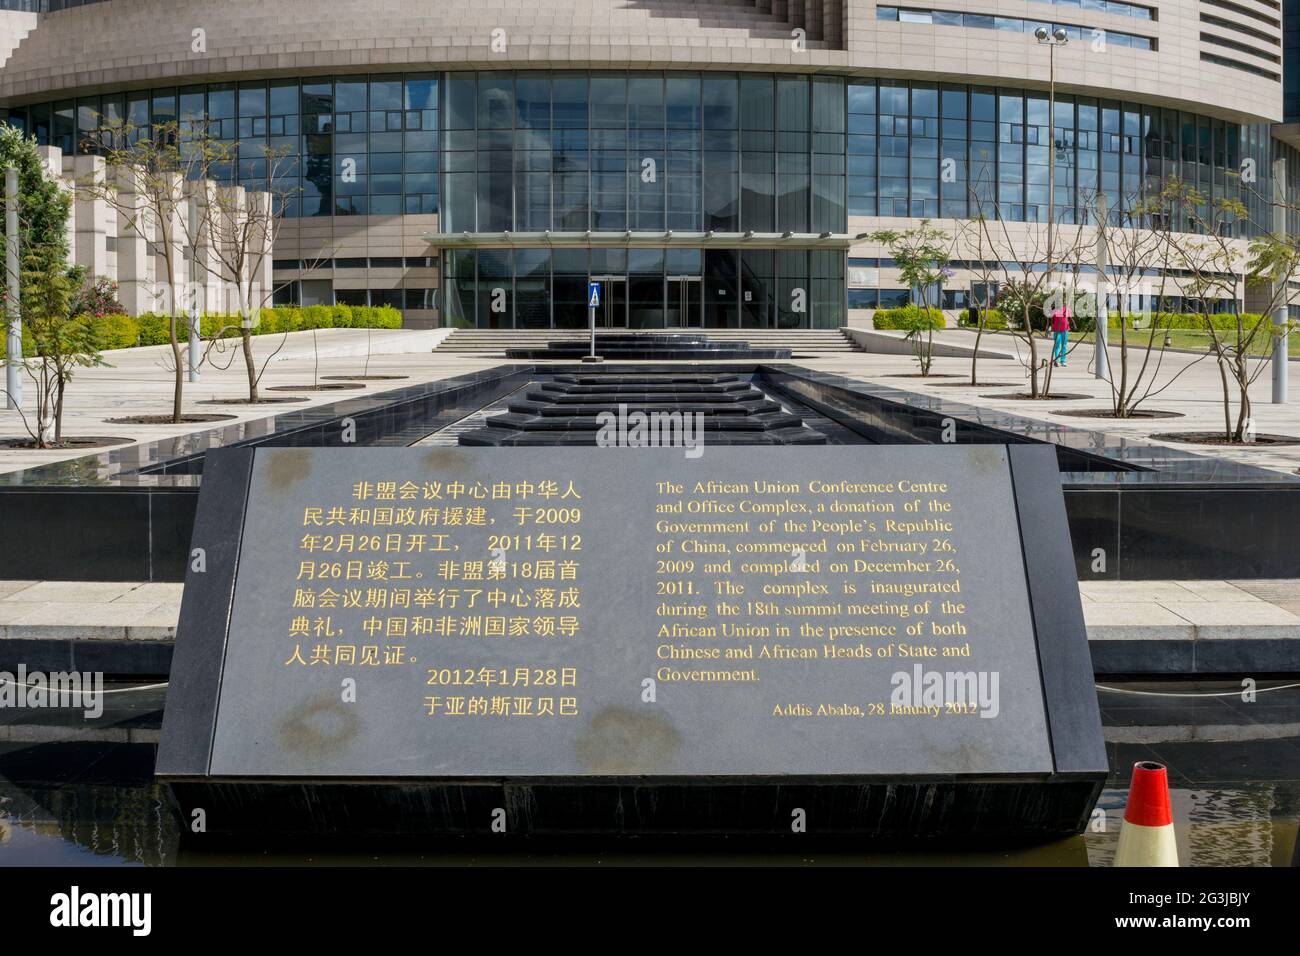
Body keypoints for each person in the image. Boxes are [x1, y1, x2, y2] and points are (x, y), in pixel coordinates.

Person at [1050, 301, 1071, 367]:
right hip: (1056, 330)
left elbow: (1069, 318)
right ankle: (1056, 360)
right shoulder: (1054, 310)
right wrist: (1050, 328)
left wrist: (1067, 324)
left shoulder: (1066, 309)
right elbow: (1052, 321)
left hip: (1065, 330)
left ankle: (1063, 361)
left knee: (1063, 345)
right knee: (1057, 345)